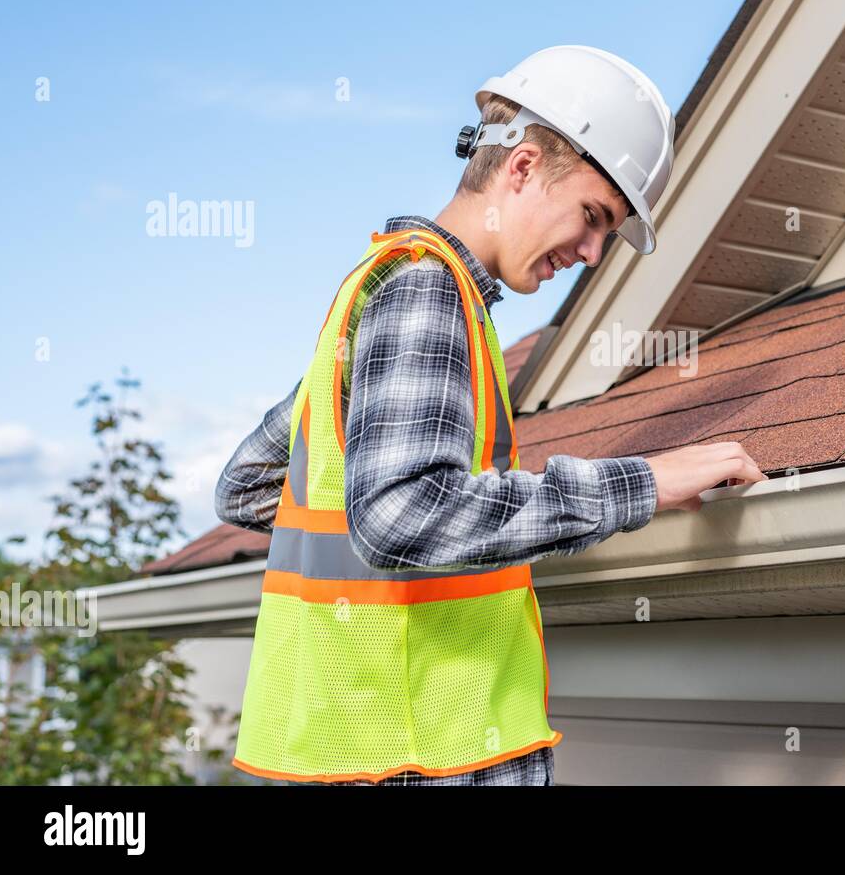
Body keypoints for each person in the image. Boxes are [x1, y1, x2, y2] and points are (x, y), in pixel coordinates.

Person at [215, 45, 767, 787]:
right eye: (594, 216)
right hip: (426, 753)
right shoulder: (427, 293)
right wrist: (643, 483)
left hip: (364, 746)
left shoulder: (381, 293)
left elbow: (248, 486)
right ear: (523, 166)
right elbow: (403, 515)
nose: (594, 251)